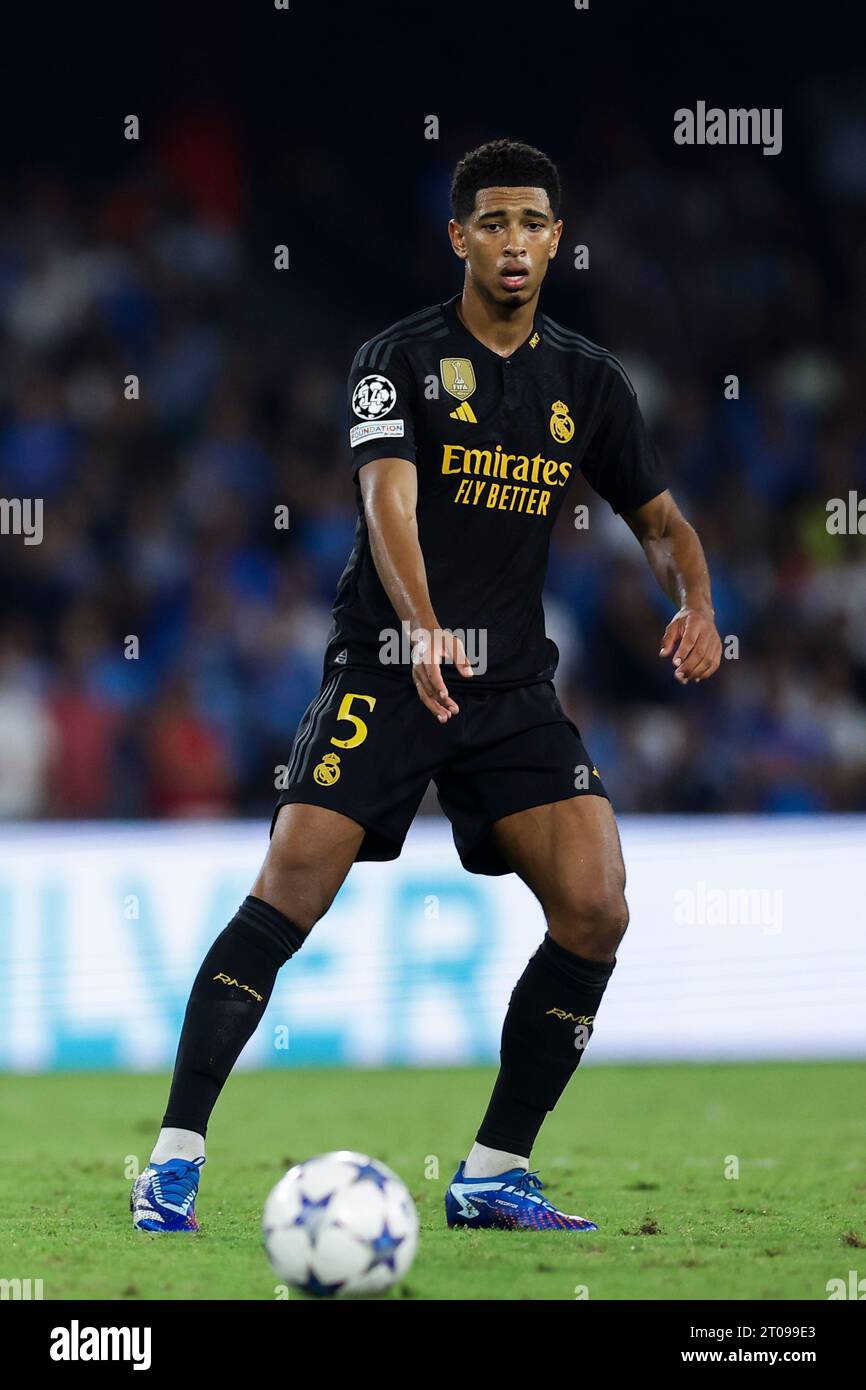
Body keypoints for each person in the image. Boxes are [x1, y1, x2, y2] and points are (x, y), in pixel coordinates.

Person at [131, 138, 721, 1234]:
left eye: (531, 222)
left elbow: (662, 522)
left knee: (594, 907)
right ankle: (172, 1157)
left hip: (508, 691)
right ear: (458, 236)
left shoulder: (586, 380)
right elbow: (386, 503)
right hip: (388, 669)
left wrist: (693, 599)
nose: (512, 241)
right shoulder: (394, 358)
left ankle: (492, 1169)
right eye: (490, 222)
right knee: (289, 891)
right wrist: (420, 629)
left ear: (556, 236)